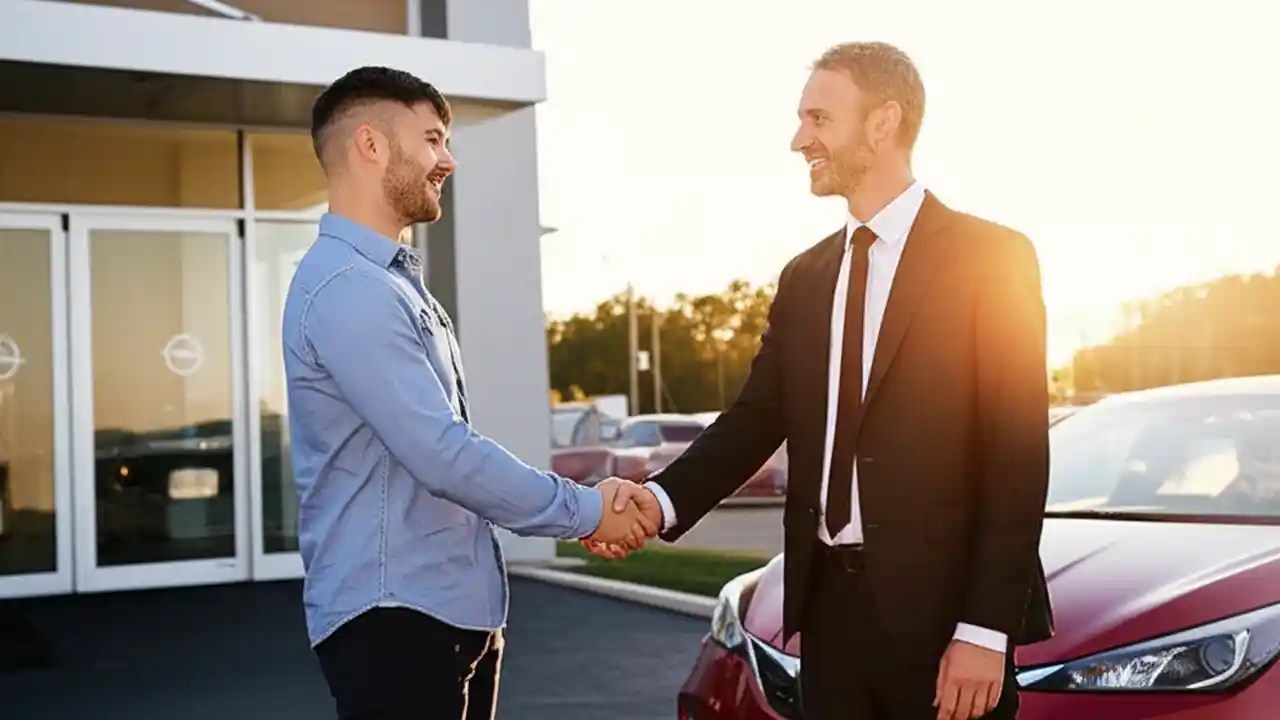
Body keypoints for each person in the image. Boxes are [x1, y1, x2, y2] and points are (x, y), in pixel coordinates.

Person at [593, 42, 1053, 719]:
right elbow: (754, 419)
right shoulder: (805, 278)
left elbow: (1017, 455)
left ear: (882, 121)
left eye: (817, 118)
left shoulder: (994, 259)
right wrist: (657, 502)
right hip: (829, 619)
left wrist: (985, 630)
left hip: (945, 623)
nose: (797, 139)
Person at [282, 66, 656, 720]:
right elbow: (441, 453)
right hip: (394, 621)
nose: (447, 160)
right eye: (431, 139)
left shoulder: (391, 282)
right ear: (370, 145)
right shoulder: (348, 288)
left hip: (444, 615)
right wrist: (588, 512)